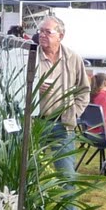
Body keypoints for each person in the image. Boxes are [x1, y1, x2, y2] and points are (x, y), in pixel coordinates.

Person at [34, 15, 90, 191]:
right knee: (30, 175)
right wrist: (35, 88)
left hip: (63, 124)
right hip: (36, 123)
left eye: (47, 32)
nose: (42, 35)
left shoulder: (73, 58)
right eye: (40, 31)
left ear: (61, 36)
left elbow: (84, 90)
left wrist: (74, 113)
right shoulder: (30, 57)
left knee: (67, 177)